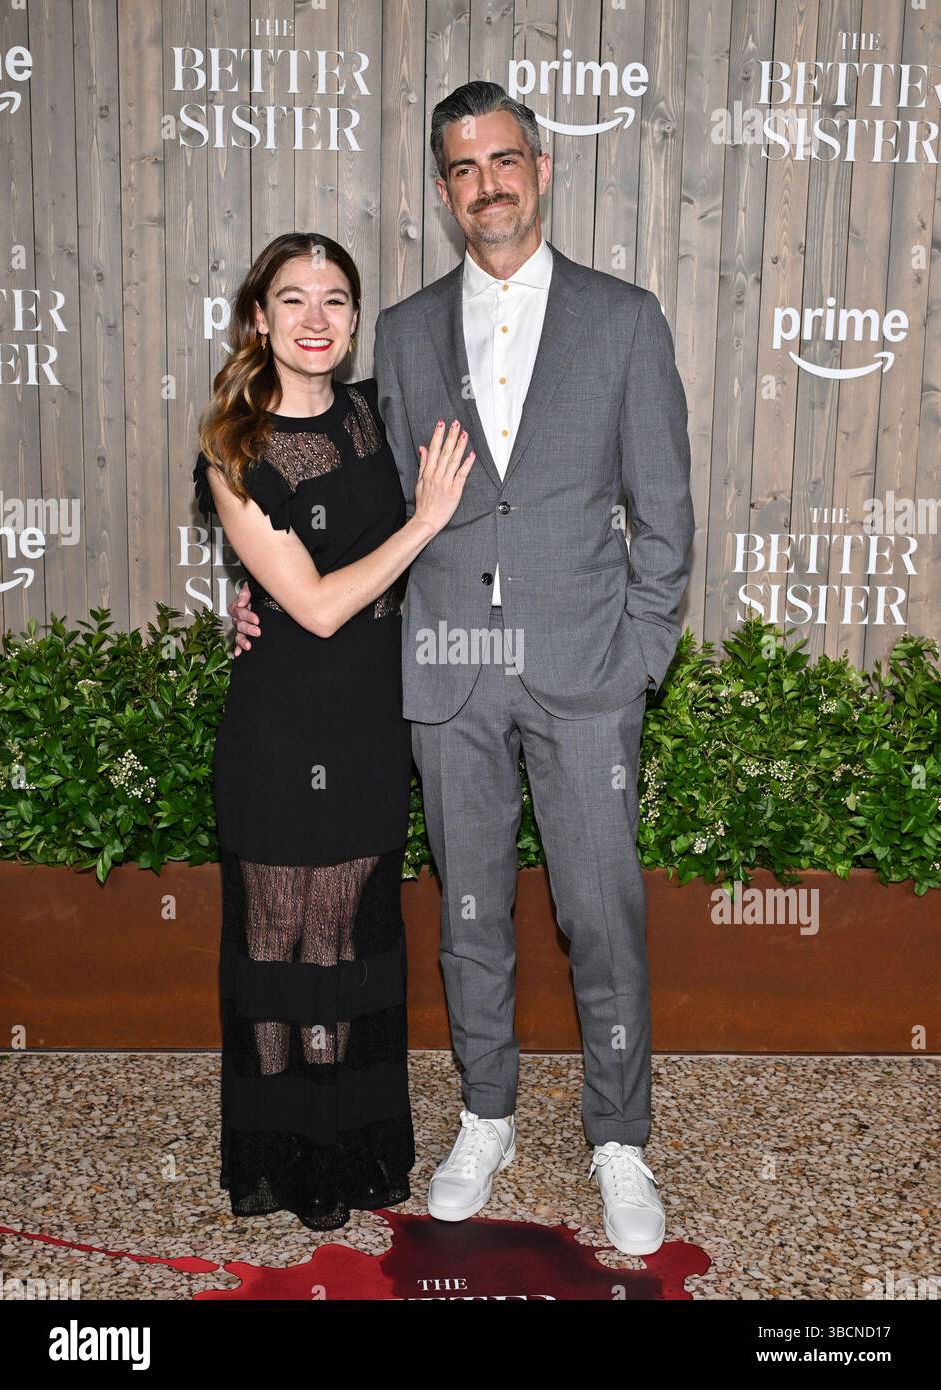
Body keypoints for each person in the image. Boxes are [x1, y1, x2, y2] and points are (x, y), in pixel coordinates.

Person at [231, 81, 695, 1257]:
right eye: (459, 167)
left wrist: (635, 661)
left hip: (585, 672)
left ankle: (619, 1138)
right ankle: (486, 1113)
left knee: (602, 913)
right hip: (447, 674)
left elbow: (670, 517)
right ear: (443, 190)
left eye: (502, 160)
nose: (484, 182)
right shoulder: (407, 328)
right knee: (471, 917)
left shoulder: (625, 317)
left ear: (540, 167)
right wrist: (261, 604)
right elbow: (353, 502)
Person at [193, 231, 473, 1231]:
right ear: (259, 316)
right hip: (282, 721)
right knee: (279, 939)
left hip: (366, 718)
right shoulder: (235, 448)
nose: (317, 320)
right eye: (295, 300)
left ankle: (356, 1146)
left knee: (352, 936)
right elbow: (311, 606)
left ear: (355, 322)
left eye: (337, 301)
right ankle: (286, 1160)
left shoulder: (369, 416)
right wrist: (425, 520)